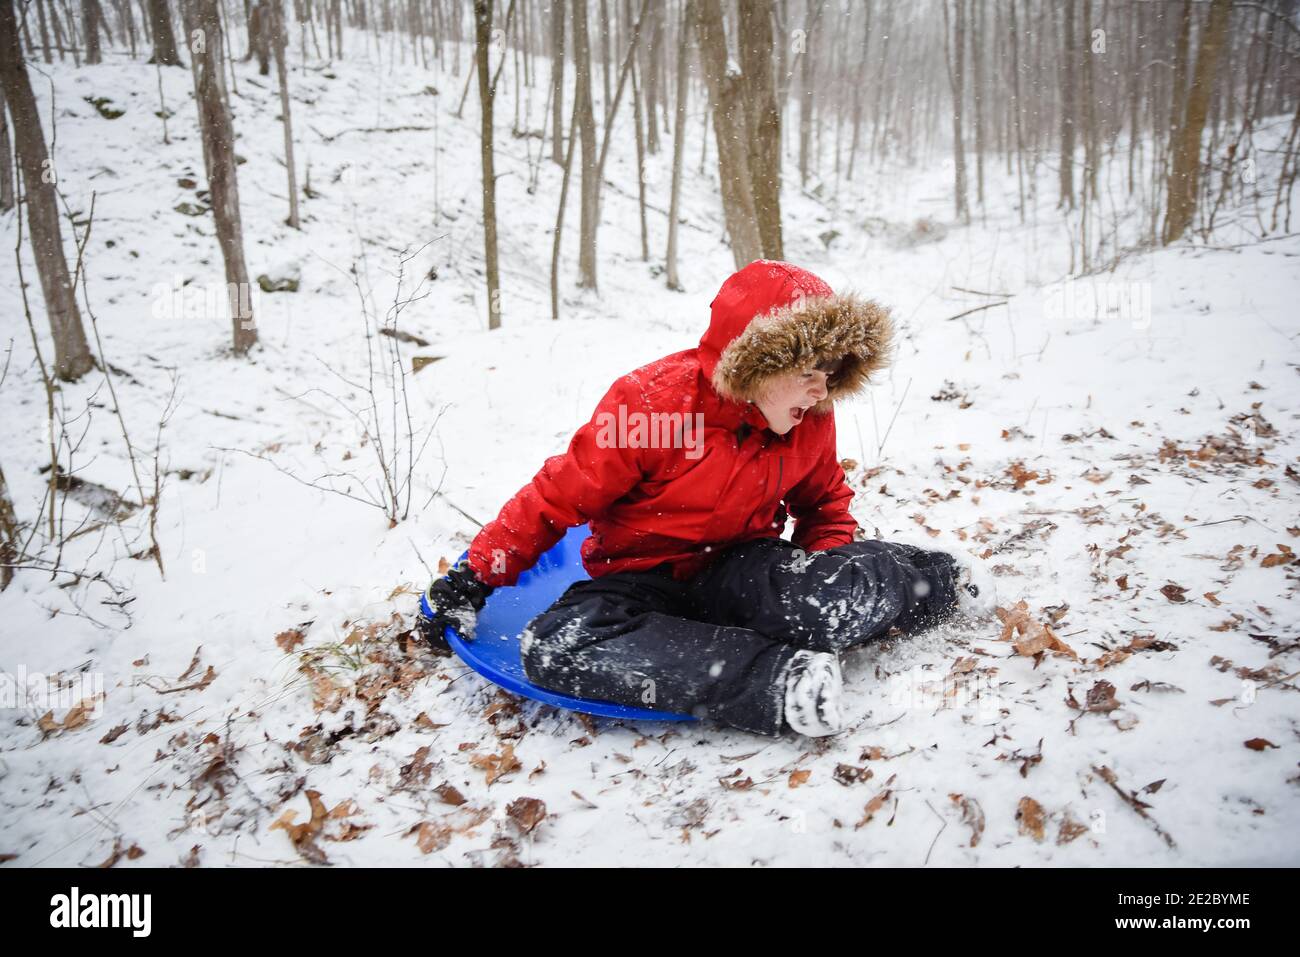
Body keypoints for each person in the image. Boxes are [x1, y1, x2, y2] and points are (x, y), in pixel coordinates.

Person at [417, 260, 997, 737]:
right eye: (811, 372)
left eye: (833, 374)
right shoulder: (652, 405)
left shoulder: (808, 420)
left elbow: (824, 503)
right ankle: (781, 682)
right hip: (640, 576)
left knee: (824, 602)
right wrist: (473, 578)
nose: (824, 391)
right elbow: (554, 497)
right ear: (762, 363)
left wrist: (824, 571)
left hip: (740, 566)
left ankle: (938, 578)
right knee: (556, 647)